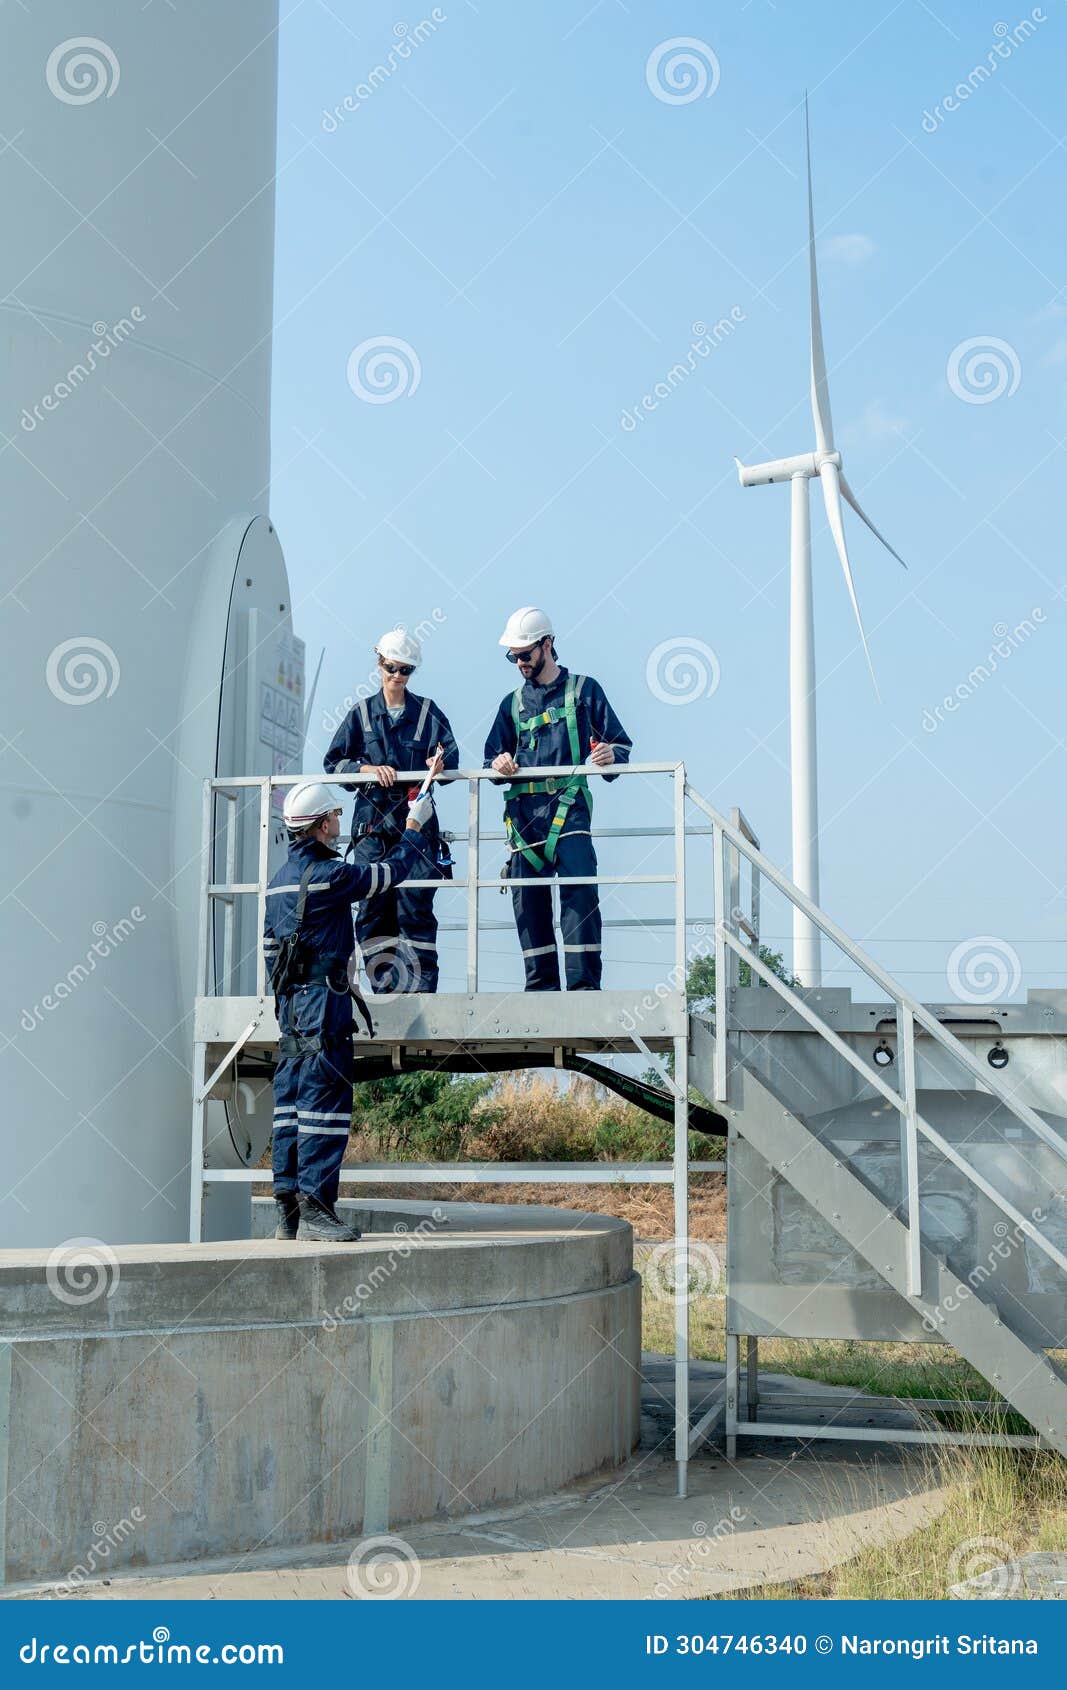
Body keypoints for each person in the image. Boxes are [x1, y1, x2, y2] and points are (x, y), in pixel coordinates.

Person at [264, 778, 435, 1242]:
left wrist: (287, 1003)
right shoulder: (331, 877)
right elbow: (388, 873)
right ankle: (318, 1210)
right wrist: (415, 824)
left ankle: (288, 1213)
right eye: (336, 815)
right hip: (325, 1004)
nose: (342, 820)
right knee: (325, 1103)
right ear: (321, 825)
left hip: (291, 1007)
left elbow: (268, 950)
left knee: (291, 1103)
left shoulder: (276, 884)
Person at [483, 607, 632, 991]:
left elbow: (620, 744)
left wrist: (609, 755)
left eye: (525, 655)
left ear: (547, 645)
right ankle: (541, 991)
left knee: (580, 897)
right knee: (528, 905)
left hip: (569, 812)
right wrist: (498, 762)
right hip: (525, 818)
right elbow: (490, 758)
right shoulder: (511, 705)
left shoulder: (584, 692)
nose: (519, 663)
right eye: (513, 657)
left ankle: (584, 989)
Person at [324, 629, 459, 993]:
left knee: (414, 906)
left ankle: (420, 993)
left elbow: (452, 762)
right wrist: (367, 770)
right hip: (372, 830)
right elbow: (333, 765)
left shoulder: (429, 713)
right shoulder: (361, 715)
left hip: (416, 828)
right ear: (378, 662)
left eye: (405, 670)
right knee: (373, 910)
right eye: (391, 667)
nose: (397, 676)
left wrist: (439, 763)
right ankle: (386, 991)